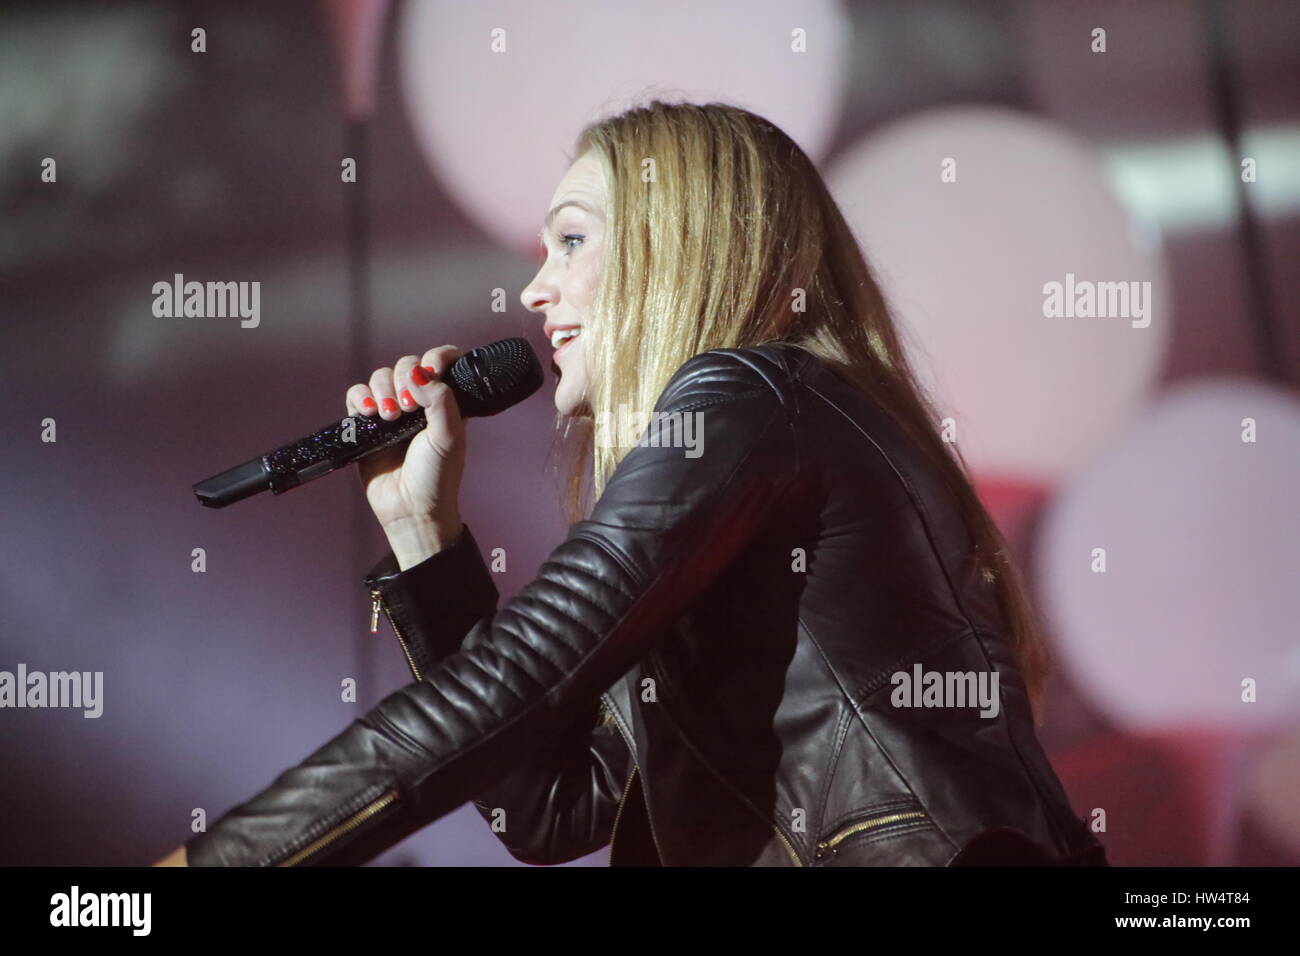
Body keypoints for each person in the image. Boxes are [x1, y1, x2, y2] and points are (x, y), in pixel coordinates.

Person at [156, 100, 1107, 867]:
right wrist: (424, 536)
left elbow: (523, 670)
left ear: (679, 241)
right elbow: (552, 807)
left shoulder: (747, 391)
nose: (534, 291)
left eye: (570, 241)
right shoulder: (761, 447)